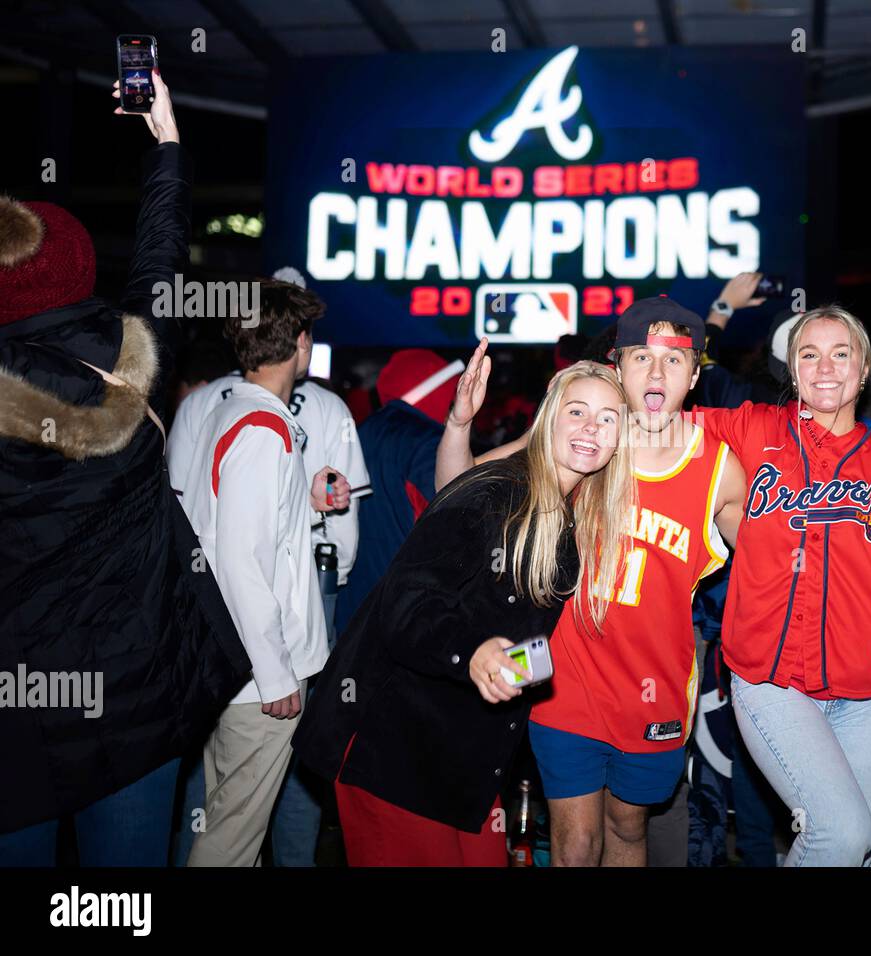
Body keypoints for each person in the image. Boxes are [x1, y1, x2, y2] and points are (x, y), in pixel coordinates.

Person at [0, 72, 250, 865]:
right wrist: (167, 143)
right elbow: (160, 266)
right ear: (80, 274)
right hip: (133, 698)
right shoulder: (132, 365)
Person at [436, 298, 748, 866]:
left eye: (674, 360)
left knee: (628, 829)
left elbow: (769, 565)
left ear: (696, 374)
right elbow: (457, 493)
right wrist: (460, 423)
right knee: (575, 843)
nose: (656, 374)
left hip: (655, 688)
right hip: (560, 680)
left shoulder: (719, 470)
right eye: (641, 358)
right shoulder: (581, 444)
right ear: (616, 366)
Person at [293, 361, 635, 866]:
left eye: (607, 419)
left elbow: (522, 635)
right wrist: (473, 653)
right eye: (577, 411)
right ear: (547, 420)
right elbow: (407, 603)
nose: (591, 427)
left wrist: (525, 668)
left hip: (462, 760)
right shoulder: (494, 492)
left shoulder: (566, 519)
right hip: (391, 748)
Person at [683, 305, 871, 867]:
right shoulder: (754, 426)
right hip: (772, 680)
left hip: (867, 692)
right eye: (809, 354)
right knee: (841, 834)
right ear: (792, 369)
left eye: (841, 354)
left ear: (863, 371)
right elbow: (653, 421)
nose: (825, 367)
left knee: (856, 850)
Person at [168, 277, 372, 867]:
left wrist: (301, 500)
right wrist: (276, 673)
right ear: (301, 343)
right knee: (230, 842)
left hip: (225, 661)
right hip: (258, 674)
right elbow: (240, 557)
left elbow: (219, 521)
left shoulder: (223, 410)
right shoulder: (264, 428)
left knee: (228, 826)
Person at [333, 347, 464, 636]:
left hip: (350, 608)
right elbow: (459, 513)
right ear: (435, 392)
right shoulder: (427, 442)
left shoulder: (361, 431)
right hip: (404, 614)